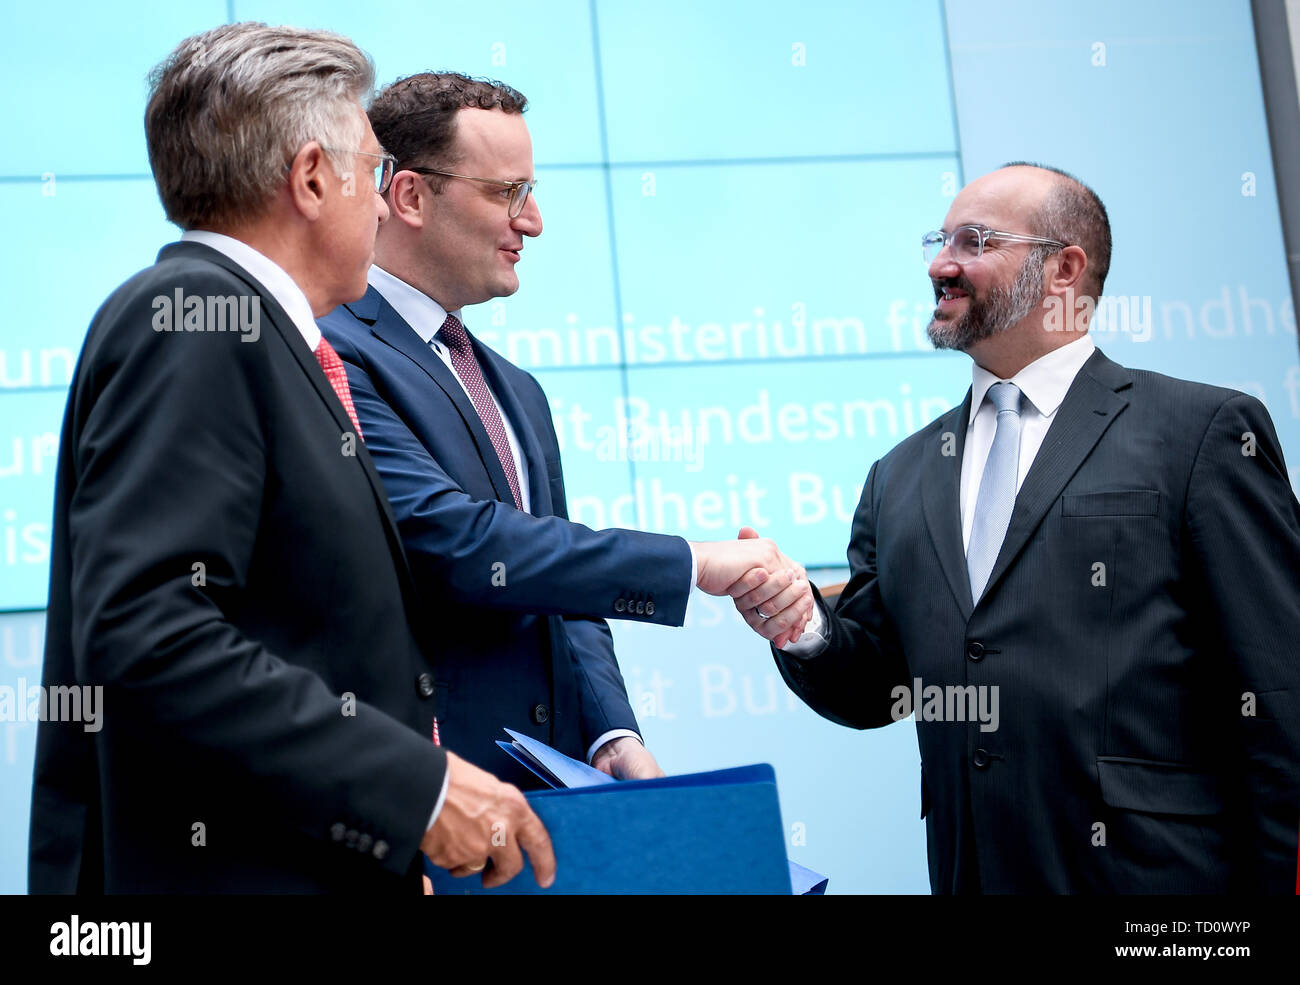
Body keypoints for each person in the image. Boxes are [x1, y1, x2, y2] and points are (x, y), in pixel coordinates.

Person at [28, 25, 554, 893]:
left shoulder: (265, 336)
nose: (384, 204)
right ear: (312, 177)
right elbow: (150, 636)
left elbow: (291, 636)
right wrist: (417, 791)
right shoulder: (193, 313)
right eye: (370, 170)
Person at [752, 163, 1300, 893]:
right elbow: (880, 686)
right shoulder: (900, 474)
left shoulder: (1201, 434)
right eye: (939, 241)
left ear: (1064, 268)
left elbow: (1279, 700)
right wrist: (804, 624)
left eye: (974, 241)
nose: (941, 265)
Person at [319, 72, 812, 787]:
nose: (533, 220)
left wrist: (610, 731)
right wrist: (690, 562)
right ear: (410, 196)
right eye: (505, 192)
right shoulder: (331, 352)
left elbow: (558, 587)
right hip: (425, 802)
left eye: (532, 190)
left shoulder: (515, 388)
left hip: (553, 805)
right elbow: (451, 539)